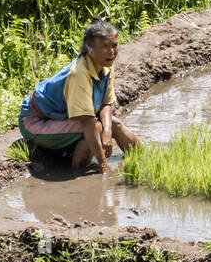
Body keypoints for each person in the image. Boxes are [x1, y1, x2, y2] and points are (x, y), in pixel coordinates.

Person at [17, 19, 141, 173]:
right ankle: (79, 169)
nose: (111, 51)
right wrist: (103, 166)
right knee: (95, 127)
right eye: (105, 47)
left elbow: (105, 103)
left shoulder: (106, 64)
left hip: (63, 117)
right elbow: (88, 124)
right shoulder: (79, 74)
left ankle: (142, 158)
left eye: (114, 45)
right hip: (35, 121)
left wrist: (108, 132)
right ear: (89, 48)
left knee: (112, 124)